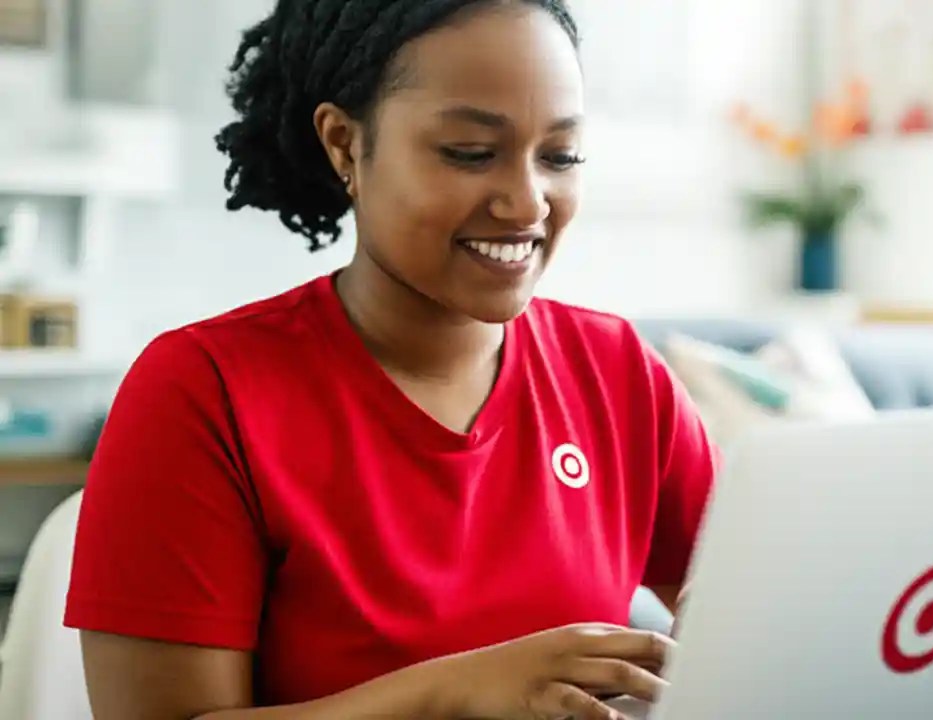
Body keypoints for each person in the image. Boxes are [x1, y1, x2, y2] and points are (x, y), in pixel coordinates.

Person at [62, 1, 719, 718]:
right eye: (470, 151)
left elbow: (747, 606)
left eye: (559, 156)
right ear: (344, 144)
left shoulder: (618, 372)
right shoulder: (203, 392)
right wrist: (454, 693)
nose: (526, 203)